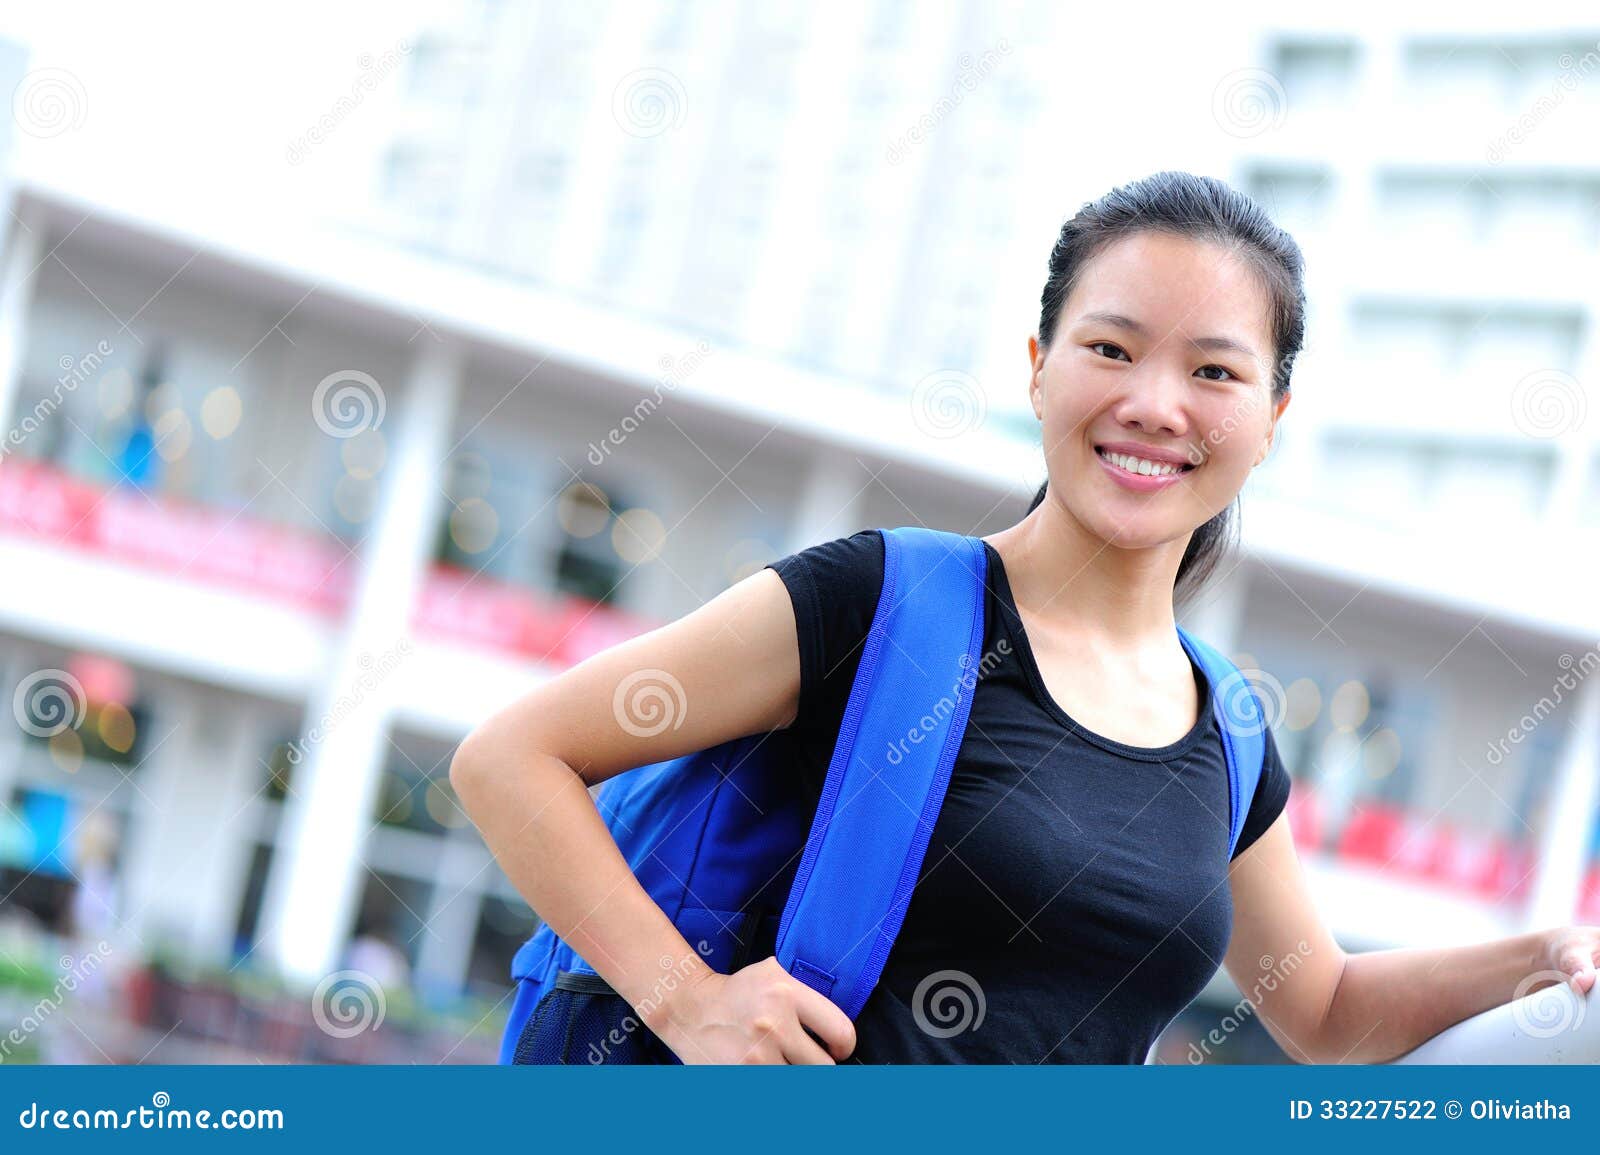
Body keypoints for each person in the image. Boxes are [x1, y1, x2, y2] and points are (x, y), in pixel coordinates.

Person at [451, 171, 1600, 1064]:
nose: (1154, 407)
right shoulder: (879, 602)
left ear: (1272, 413)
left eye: (1214, 372)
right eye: (1111, 350)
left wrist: (1545, 955)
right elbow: (510, 757)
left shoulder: (1231, 729)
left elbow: (1327, 1010)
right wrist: (691, 1005)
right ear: (1040, 367)